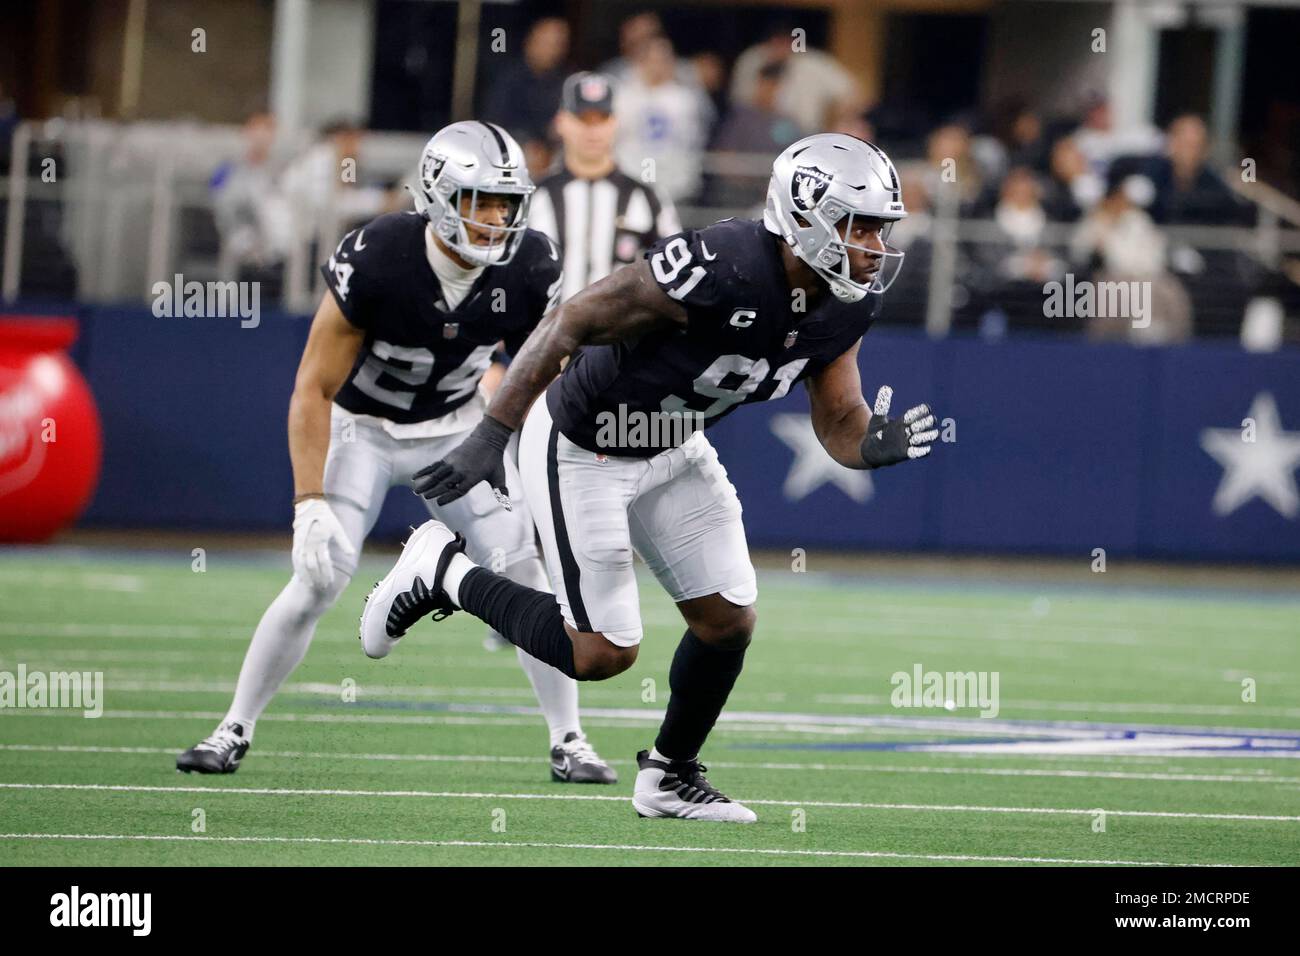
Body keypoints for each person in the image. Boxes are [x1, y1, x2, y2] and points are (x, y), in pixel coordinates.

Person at [360, 134, 941, 822]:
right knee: (602, 654)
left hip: (672, 445)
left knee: (727, 620)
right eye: (860, 224)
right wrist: (494, 434)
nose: (874, 244)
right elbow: (572, 318)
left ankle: (668, 776)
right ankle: (442, 571)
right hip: (585, 441)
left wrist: (871, 444)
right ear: (804, 214)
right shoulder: (720, 266)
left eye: (881, 227)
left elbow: (839, 415)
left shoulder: (847, 301)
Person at [177, 121, 616, 784]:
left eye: (507, 203)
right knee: (321, 574)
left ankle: (570, 739)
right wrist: (308, 503)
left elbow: (543, 378)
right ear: (439, 197)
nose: (498, 219)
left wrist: (565, 472)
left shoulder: (530, 263)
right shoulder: (380, 254)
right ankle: (233, 726)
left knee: (525, 571)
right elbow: (313, 386)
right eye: (482, 201)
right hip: (365, 430)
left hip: (460, 431)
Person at [530, 72, 680, 303]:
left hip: (621, 334)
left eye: (602, 118)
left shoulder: (648, 197)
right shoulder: (534, 195)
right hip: (544, 332)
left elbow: (674, 272)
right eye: (583, 119)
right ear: (562, 122)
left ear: (615, 122)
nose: (593, 130)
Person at [613, 36, 711, 202]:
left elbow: (692, 140)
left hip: (672, 179)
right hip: (629, 173)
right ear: (641, 61)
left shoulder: (683, 99)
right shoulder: (624, 95)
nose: (658, 66)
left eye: (664, 60)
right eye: (653, 60)